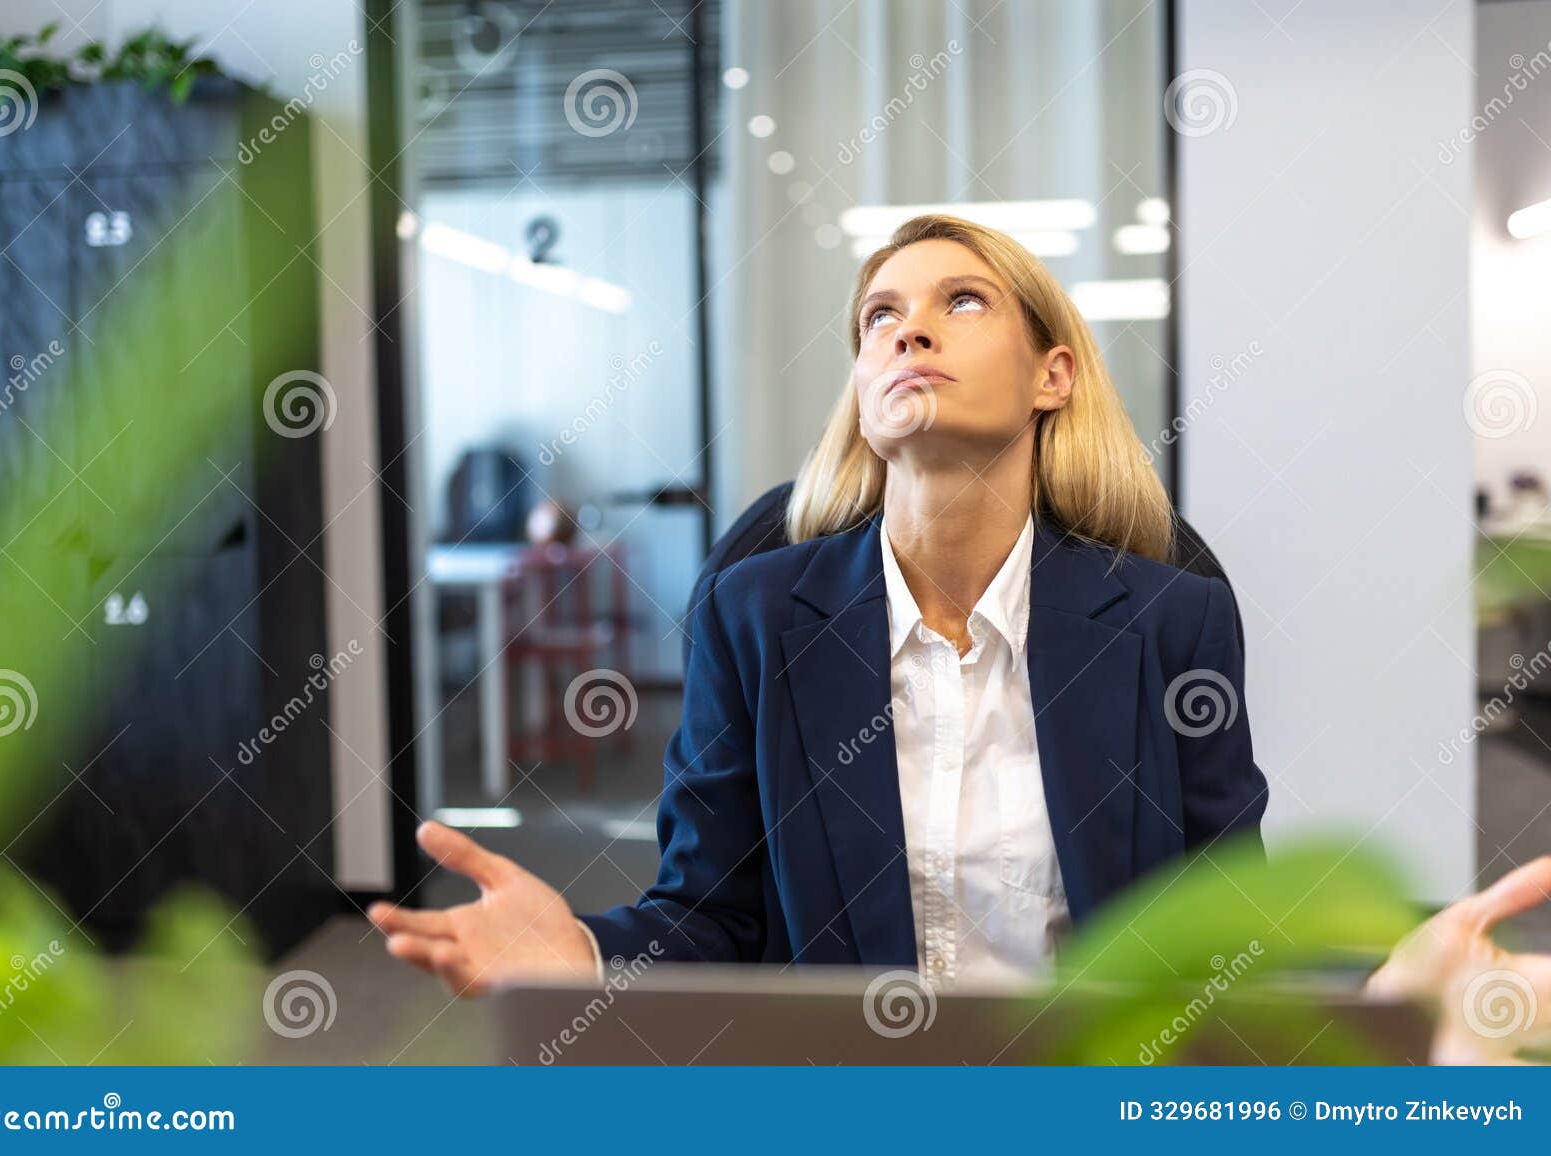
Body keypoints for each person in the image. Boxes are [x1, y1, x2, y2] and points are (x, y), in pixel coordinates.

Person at [368, 215, 1551, 1061]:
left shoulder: (1168, 617)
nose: (907, 331)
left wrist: (1381, 1002)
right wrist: (584, 947)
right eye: (880, 315)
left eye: (958, 302)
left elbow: (1209, 934)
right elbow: (715, 915)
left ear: (1053, 374)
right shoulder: (756, 613)